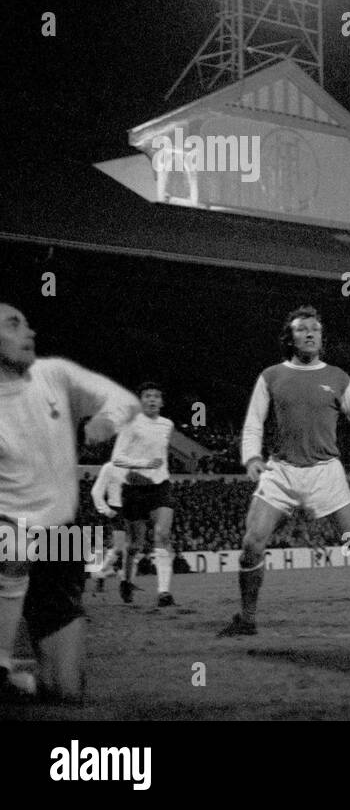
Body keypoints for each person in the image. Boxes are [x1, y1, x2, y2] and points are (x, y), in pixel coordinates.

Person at [218, 305, 350, 636]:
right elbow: (253, 422)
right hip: (281, 473)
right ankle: (247, 619)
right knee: (252, 542)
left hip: (326, 475)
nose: (309, 333)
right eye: (301, 329)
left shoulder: (338, 378)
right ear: (290, 338)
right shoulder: (271, 376)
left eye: (315, 329)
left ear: (322, 338)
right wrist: (251, 457)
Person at [0, 301, 140, 702]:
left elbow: (123, 401)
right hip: (8, 537)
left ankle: (17, 679)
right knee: (11, 540)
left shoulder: (54, 374)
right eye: (14, 324)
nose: (30, 333)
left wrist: (104, 422)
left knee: (65, 691)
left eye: (27, 323)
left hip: (61, 541)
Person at [92, 383, 175, 606]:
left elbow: (161, 455)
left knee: (162, 534)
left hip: (160, 486)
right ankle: (127, 580)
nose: (152, 400)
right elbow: (117, 458)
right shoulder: (130, 424)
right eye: (147, 396)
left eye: (157, 396)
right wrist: (144, 464)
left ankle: (164, 593)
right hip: (134, 488)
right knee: (135, 544)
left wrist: (160, 472)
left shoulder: (168, 424)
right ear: (141, 401)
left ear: (162, 402)